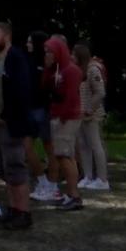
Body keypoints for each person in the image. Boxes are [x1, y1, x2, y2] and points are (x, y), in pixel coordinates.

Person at [0, 22, 37, 229]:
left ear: (6, 36)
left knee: (15, 168)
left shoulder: (15, 58)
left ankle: (23, 212)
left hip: (9, 124)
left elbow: (22, 90)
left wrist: (9, 115)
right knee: (3, 169)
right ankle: (13, 209)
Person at [41, 36, 84, 211]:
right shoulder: (56, 70)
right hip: (58, 115)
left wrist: (63, 116)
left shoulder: (71, 71)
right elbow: (44, 86)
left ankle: (74, 195)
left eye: (50, 51)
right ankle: (71, 194)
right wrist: (47, 68)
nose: (47, 54)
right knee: (64, 155)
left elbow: (72, 96)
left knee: (64, 156)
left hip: (66, 118)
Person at [26, 31, 60, 199]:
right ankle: (43, 181)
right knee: (27, 147)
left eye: (30, 42)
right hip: (30, 108)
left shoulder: (47, 63)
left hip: (43, 109)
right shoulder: (30, 61)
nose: (27, 45)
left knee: (50, 148)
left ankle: (52, 186)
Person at [74, 42, 109, 191]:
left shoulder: (93, 69)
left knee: (96, 146)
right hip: (81, 114)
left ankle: (102, 179)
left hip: (92, 115)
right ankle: (88, 176)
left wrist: (89, 108)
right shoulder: (80, 70)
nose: (71, 56)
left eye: (73, 54)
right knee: (83, 145)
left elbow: (100, 92)